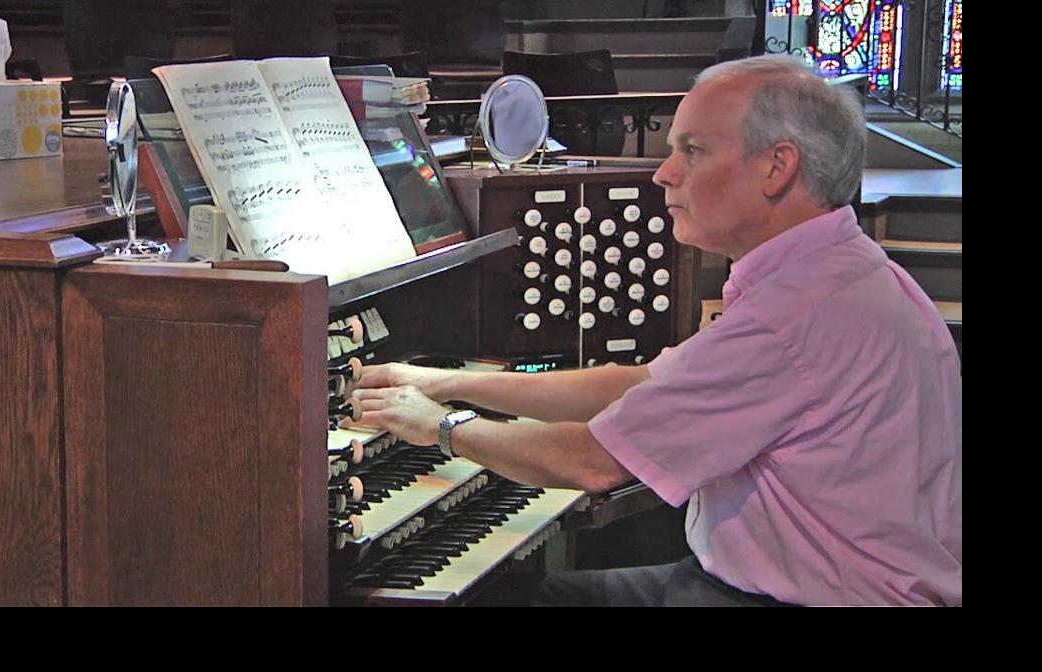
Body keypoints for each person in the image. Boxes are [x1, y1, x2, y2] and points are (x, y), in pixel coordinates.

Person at [345, 55, 962, 606]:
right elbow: (640, 382)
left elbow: (589, 462)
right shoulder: (837, 273)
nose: (663, 174)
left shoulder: (792, 318)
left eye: (691, 150)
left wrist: (439, 427)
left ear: (777, 167)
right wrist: (447, 382)